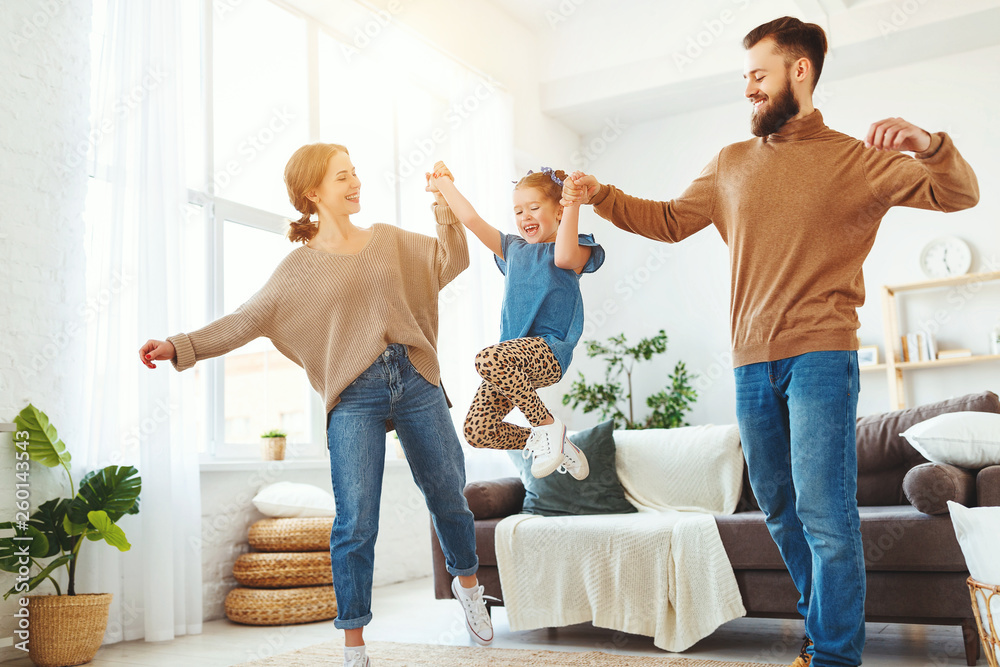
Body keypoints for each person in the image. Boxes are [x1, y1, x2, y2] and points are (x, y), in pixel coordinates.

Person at [562, 17, 978, 667]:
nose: (750, 89)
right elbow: (670, 220)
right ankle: (825, 633)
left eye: (759, 75)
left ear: (800, 71)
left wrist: (928, 143)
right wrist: (601, 195)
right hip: (750, 363)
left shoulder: (856, 162)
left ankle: (835, 655)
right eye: (745, 78)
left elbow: (960, 191)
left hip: (821, 354)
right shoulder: (732, 165)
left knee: (824, 511)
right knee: (780, 507)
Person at [139, 143, 496, 667]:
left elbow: (452, 260)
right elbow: (244, 319)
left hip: (415, 378)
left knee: (447, 494)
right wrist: (181, 346)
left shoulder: (391, 241)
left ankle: (468, 586)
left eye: (356, 173)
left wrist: (443, 202)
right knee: (355, 522)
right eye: (342, 177)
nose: (355, 184)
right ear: (313, 192)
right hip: (353, 393)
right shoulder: (297, 269)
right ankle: (354, 645)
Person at [426, 162, 605, 479]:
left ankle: (547, 425)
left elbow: (562, 257)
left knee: (486, 358)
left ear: (559, 211)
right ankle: (555, 441)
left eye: (534, 207)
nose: (525, 217)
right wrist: (443, 184)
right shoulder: (512, 248)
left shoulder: (577, 249)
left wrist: (573, 202)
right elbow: (471, 219)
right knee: (477, 431)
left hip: (548, 353)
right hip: (509, 363)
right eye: (518, 211)